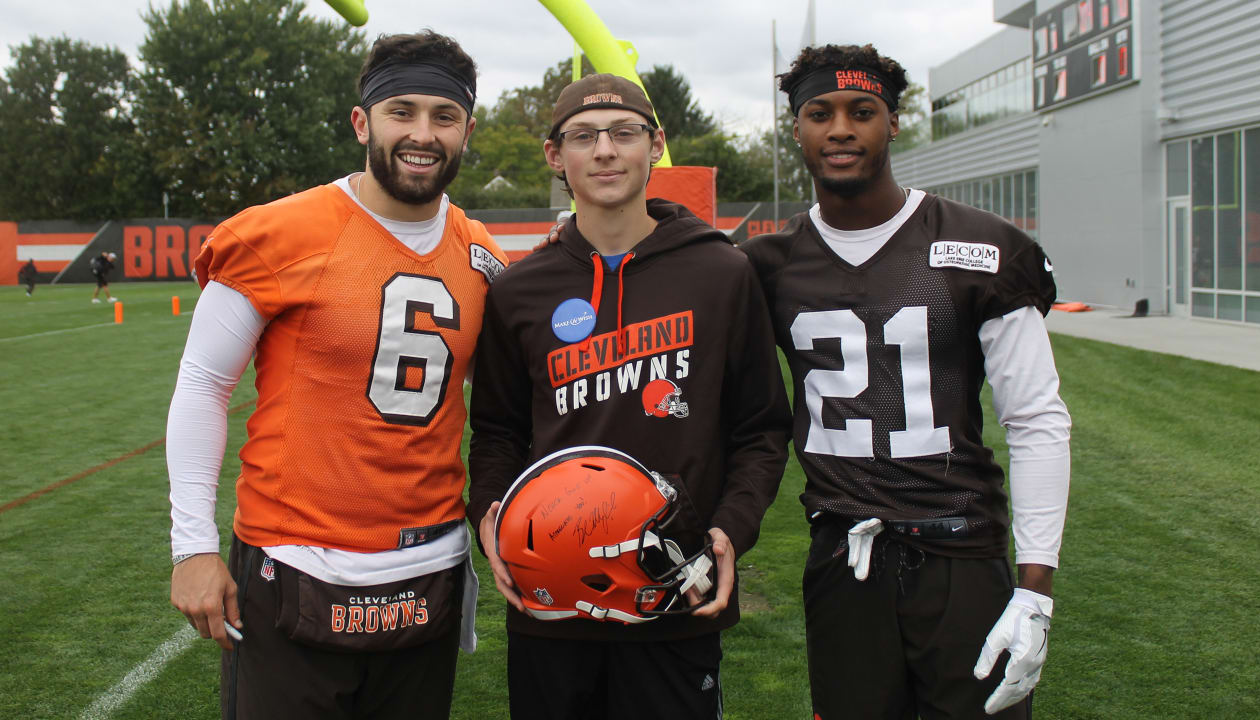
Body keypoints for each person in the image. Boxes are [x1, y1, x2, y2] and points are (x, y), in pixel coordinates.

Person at [166, 30, 506, 720]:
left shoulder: (481, 253)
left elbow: (503, 398)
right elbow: (203, 384)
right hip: (296, 565)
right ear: (363, 122)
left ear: (467, 130)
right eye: (401, 111)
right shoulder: (280, 233)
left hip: (427, 569)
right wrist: (194, 546)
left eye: (444, 117)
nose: (422, 134)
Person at [741, 44, 1072, 720]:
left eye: (862, 111)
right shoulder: (765, 264)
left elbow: (1035, 418)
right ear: (795, 128)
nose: (840, 129)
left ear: (892, 123)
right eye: (819, 112)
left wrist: (1035, 587)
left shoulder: (980, 247)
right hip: (842, 556)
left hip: (961, 552)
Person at [466, 73, 791, 719]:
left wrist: (732, 527)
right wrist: (491, 517)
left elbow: (761, 428)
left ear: (656, 145)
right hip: (550, 594)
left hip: (674, 581)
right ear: (555, 156)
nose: (605, 151)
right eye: (583, 137)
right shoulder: (519, 290)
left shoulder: (722, 272)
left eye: (624, 132)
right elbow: (498, 432)